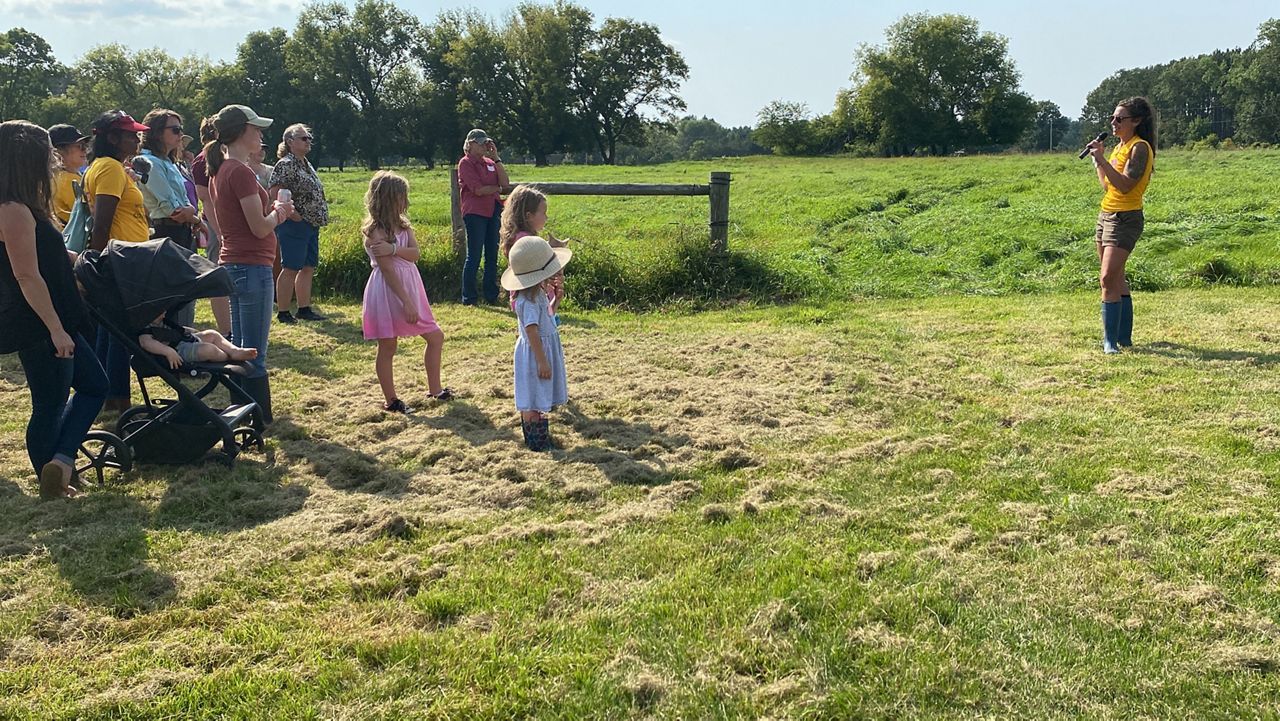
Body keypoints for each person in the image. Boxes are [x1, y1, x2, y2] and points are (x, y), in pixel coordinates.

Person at [0, 120, 107, 499]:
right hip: (40, 322)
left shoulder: (28, 204)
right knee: (49, 403)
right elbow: (27, 276)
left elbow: (49, 256)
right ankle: (53, 484)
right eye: (47, 152)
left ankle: (60, 462)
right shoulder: (11, 209)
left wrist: (87, 260)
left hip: (61, 315)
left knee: (96, 386)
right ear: (26, 156)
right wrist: (55, 330)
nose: (54, 160)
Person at [205, 104, 293, 422]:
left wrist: (270, 209)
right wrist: (279, 212)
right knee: (254, 351)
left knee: (240, 348)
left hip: (235, 265)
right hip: (251, 267)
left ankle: (240, 412)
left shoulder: (222, 169)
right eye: (256, 129)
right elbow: (258, 227)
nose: (260, 135)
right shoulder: (240, 172)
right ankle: (259, 418)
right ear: (242, 131)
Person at [360, 171, 452, 413]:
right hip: (390, 291)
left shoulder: (403, 226)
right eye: (402, 196)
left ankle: (436, 389)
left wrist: (393, 248)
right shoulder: (375, 232)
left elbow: (415, 254)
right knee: (388, 346)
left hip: (411, 286)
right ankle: (391, 400)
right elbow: (388, 271)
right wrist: (407, 302)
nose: (406, 201)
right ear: (389, 199)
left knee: (435, 336)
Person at [84, 110, 151, 412]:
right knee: (121, 335)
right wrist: (98, 265)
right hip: (121, 260)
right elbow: (102, 223)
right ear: (112, 138)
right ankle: (119, 399)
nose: (136, 138)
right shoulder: (110, 168)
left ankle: (106, 395)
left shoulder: (106, 166)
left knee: (109, 333)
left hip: (123, 257)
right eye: (129, 134)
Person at [1085, 96, 1156, 354]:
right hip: (1106, 214)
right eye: (1112, 118)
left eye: (1119, 118)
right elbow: (1108, 185)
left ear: (1136, 121)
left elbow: (1126, 185)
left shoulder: (1140, 148)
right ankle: (1123, 338)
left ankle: (1109, 341)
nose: (1113, 123)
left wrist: (1103, 161)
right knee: (1116, 278)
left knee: (1107, 278)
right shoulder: (1118, 148)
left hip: (1126, 218)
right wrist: (1099, 161)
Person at [502, 235, 570, 451]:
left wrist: (555, 301)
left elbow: (546, 318)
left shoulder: (538, 295)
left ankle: (537, 439)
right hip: (535, 354)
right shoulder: (528, 301)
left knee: (536, 394)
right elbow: (532, 330)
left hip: (539, 350)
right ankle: (537, 443)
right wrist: (542, 361)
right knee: (533, 398)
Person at [138, 109, 201, 326]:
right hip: (167, 231)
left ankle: (180, 338)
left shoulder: (169, 162)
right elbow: (174, 209)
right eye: (174, 129)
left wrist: (191, 214)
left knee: (185, 293)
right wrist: (195, 216)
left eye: (181, 129)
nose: (180, 134)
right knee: (173, 296)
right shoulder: (149, 163)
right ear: (156, 133)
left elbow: (184, 206)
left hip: (180, 232)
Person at [270, 123, 330, 323]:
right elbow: (275, 193)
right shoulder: (286, 164)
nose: (308, 142)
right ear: (290, 142)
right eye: (304, 138)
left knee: (307, 266)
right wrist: (294, 215)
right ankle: (284, 311)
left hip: (311, 224)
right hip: (295, 224)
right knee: (291, 267)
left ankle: (304, 308)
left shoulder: (305, 163)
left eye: (309, 138)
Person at [457, 128, 508, 305]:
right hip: (475, 213)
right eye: (481, 143)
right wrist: (495, 189)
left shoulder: (490, 162)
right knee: (475, 255)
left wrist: (497, 158)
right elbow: (477, 190)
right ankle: (469, 297)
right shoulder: (465, 163)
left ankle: (491, 295)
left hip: (493, 210)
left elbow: (505, 182)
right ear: (470, 144)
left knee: (492, 254)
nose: (485, 146)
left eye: (487, 142)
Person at [499, 185, 566, 318]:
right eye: (543, 213)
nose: (546, 217)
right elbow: (538, 266)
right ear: (529, 216)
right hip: (531, 296)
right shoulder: (525, 240)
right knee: (536, 328)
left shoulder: (523, 237)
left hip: (532, 296)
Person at [192, 117, 231, 335]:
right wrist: (219, 232)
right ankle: (226, 331)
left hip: (224, 225)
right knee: (219, 276)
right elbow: (206, 199)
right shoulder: (203, 160)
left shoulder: (220, 157)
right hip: (217, 225)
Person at [138, 314, 257, 369]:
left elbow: (180, 329)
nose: (164, 313)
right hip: (178, 352)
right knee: (208, 349)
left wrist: (191, 332)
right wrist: (168, 352)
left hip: (183, 340)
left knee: (212, 333)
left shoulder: (162, 320)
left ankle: (234, 351)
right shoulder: (145, 329)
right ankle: (228, 357)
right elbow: (146, 343)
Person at [48, 124, 89, 226]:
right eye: (79, 146)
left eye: (85, 146)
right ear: (59, 151)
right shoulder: (68, 180)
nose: (85, 150)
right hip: (75, 240)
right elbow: (91, 215)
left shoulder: (54, 176)